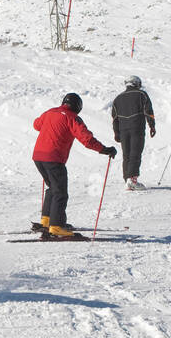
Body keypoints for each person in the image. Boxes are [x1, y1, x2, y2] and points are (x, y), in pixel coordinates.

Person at [32, 93, 116, 238]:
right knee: (60, 192)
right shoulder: (72, 117)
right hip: (53, 158)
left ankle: (47, 221)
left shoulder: (50, 112)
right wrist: (104, 149)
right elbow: (87, 139)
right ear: (78, 107)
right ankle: (56, 226)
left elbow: (36, 125)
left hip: (38, 156)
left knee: (53, 188)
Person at [110, 75, 156, 190]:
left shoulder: (118, 98)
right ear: (136, 84)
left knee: (127, 155)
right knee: (135, 153)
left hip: (123, 130)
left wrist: (116, 133)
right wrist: (152, 126)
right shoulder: (142, 94)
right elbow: (148, 111)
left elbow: (114, 118)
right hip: (137, 127)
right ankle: (132, 180)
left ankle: (127, 180)